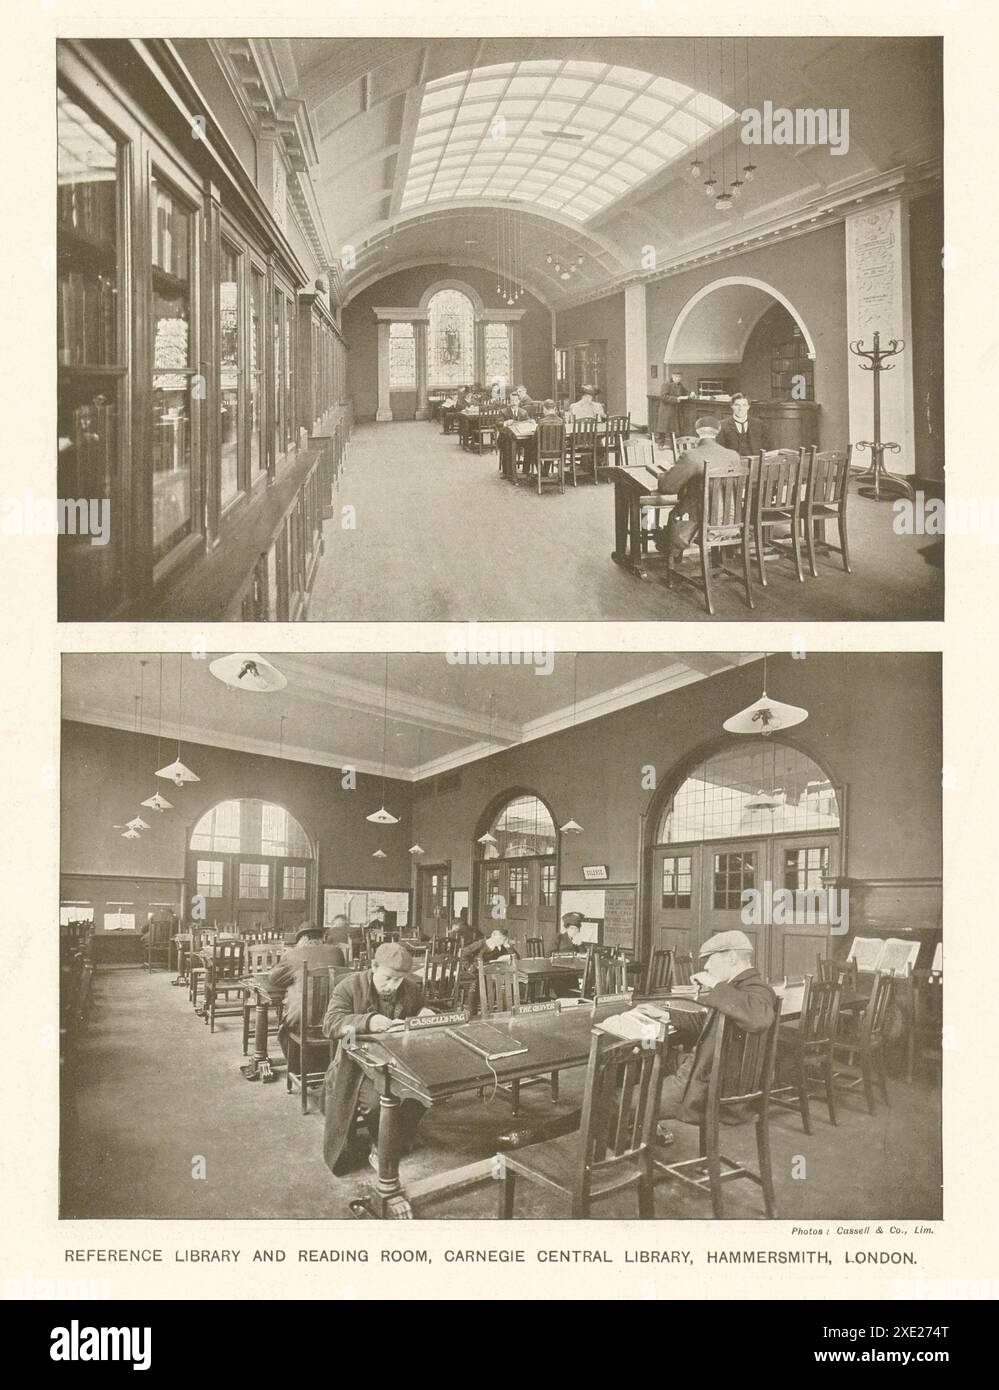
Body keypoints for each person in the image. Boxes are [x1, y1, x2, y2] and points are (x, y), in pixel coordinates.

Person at [322, 942, 434, 1175]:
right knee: (376, 1102)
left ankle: (386, 1142)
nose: (392, 987)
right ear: (373, 966)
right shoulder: (349, 986)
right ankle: (386, 1142)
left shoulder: (410, 988)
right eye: (387, 979)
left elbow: (422, 1008)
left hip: (395, 1060)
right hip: (354, 1063)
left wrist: (425, 1014)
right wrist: (368, 1022)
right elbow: (330, 1025)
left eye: (398, 980)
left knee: (424, 1093)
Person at [657, 930, 777, 1136]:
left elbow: (759, 1018)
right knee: (656, 1063)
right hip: (707, 1075)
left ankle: (632, 1143)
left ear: (731, 958)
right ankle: (644, 1131)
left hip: (705, 1092)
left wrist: (714, 984)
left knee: (615, 1097)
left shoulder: (758, 989)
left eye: (710, 960)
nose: (706, 967)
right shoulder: (738, 989)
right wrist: (666, 1014)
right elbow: (713, 1023)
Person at [652, 415, 743, 565]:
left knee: (676, 514)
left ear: (697, 432)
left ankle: (672, 553)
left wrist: (661, 475)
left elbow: (667, 487)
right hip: (731, 520)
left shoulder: (691, 455)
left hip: (699, 520)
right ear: (718, 431)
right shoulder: (733, 455)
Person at [265, 923, 345, 1068]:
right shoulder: (337, 952)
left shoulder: (292, 954)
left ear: (303, 939)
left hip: (303, 1020)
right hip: (335, 1018)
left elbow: (273, 979)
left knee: (286, 1027)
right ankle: (326, 1065)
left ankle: (300, 1068)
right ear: (322, 938)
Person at [656, 371, 690, 449]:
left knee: (673, 428)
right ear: (673, 376)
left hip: (674, 410)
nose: (678, 378)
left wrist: (690, 393)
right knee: (663, 428)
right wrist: (676, 399)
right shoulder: (666, 384)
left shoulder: (680, 385)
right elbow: (663, 397)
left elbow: (685, 391)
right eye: (677, 376)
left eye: (680, 377)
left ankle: (673, 445)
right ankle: (660, 444)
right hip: (666, 409)